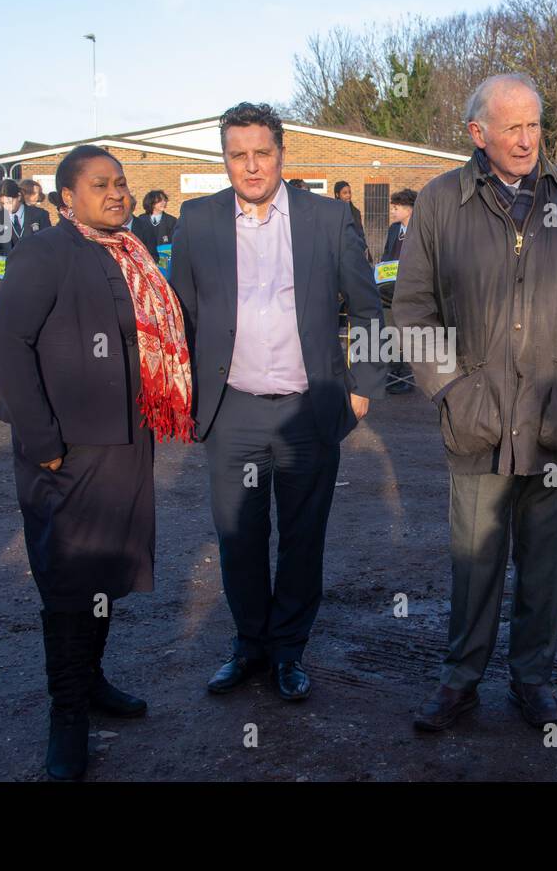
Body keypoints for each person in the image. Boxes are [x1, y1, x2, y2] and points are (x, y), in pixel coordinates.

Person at [393, 73, 557, 731]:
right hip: (478, 419)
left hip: (556, 414)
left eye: (534, 125)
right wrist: (450, 386)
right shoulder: (443, 203)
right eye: (512, 128)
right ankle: (460, 682)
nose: (527, 140)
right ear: (478, 134)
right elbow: (412, 310)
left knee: (543, 563)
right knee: (474, 564)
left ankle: (532, 680)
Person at [0, 144, 195, 780]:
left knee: (108, 574)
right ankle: (67, 714)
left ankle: (94, 682)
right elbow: (6, 340)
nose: (118, 193)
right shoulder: (46, 253)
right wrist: (43, 440)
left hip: (126, 444)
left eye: (122, 183)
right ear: (66, 198)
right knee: (69, 583)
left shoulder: (130, 254)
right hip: (66, 452)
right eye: (100, 184)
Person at [169, 102, 386, 701]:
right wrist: (184, 392)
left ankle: (290, 651)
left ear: (282, 153)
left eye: (262, 152)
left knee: (301, 538)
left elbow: (367, 307)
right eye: (238, 155)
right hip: (231, 409)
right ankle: (250, 646)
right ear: (225, 159)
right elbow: (180, 315)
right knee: (238, 538)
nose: (251, 165)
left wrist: (363, 386)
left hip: (306, 411)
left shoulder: (328, 217)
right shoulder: (197, 219)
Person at [379, 188, 417, 393]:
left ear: (409, 209)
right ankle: (394, 373)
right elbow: (386, 255)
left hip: (413, 289)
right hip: (390, 289)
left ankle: (407, 374)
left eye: (396, 208)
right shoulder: (394, 229)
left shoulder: (422, 229)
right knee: (389, 328)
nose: (392, 211)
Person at [0, 178, 52, 256]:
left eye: (9, 202)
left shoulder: (40, 215)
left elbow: (48, 244)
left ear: (19, 196)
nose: (6, 207)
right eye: (3, 203)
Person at [131, 190, 177, 271]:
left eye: (165, 200)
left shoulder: (172, 220)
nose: (164, 203)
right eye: (160, 200)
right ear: (151, 202)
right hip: (145, 259)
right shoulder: (140, 220)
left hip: (165, 259)